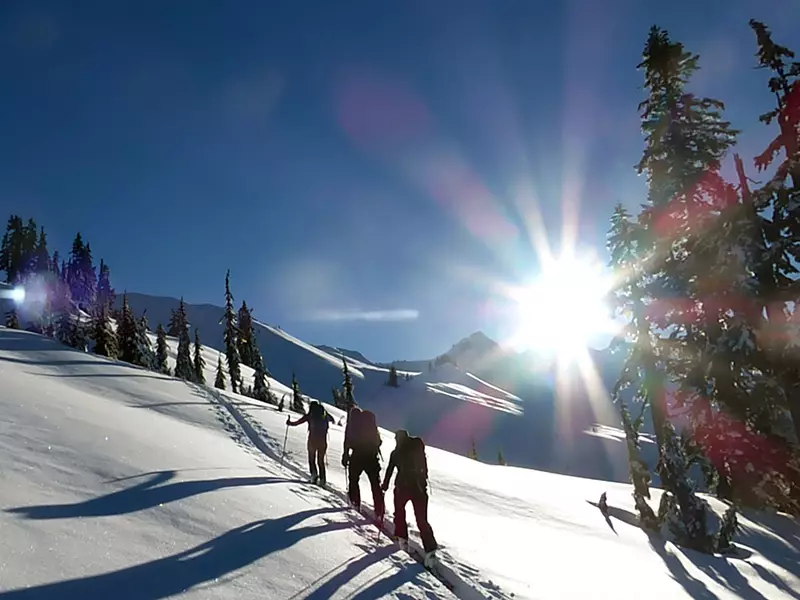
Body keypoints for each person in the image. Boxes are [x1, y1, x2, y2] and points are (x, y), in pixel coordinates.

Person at [382, 429, 438, 565]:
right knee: (421, 519)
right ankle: (430, 550)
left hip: (402, 487)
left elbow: (390, 470)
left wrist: (384, 485)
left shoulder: (396, 453)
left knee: (399, 512)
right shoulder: (417, 448)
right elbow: (424, 469)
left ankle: (402, 539)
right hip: (419, 487)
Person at [342, 406, 385, 519]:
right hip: (372, 457)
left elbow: (347, 441)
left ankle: (355, 503)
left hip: (357, 455)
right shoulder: (370, 423)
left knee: (354, 479)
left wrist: (345, 455)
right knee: (375, 484)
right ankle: (379, 511)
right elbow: (379, 441)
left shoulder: (352, 424)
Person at [287, 400, 335, 485]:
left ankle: (314, 476)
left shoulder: (310, 415)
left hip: (312, 440)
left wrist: (290, 423)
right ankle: (323, 479)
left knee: (311, 459)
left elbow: (298, 422)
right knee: (320, 461)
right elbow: (332, 419)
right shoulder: (323, 414)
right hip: (323, 442)